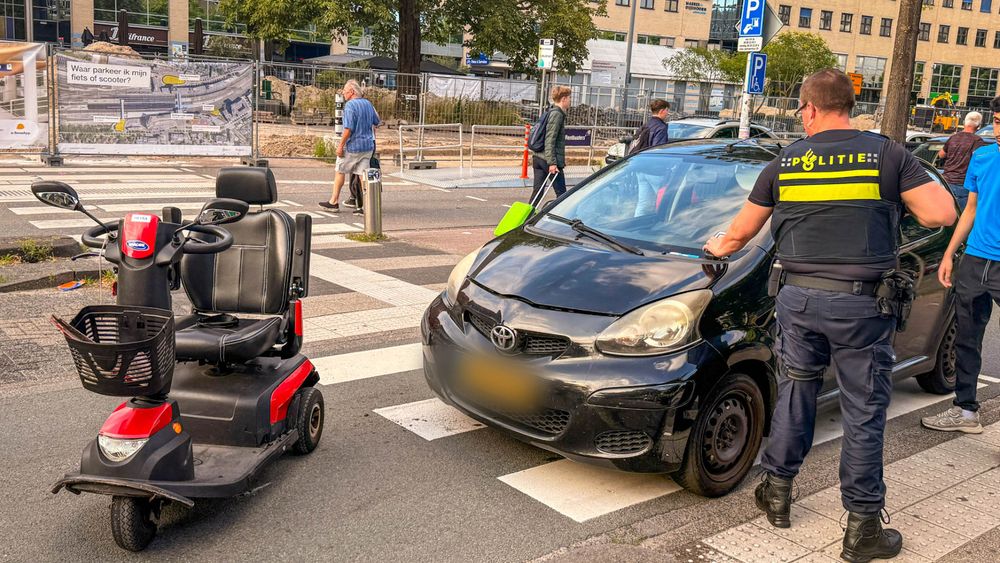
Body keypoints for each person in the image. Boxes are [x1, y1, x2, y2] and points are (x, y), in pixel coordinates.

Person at [703, 69, 956, 562]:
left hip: (798, 300)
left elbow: (737, 235)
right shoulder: (886, 155)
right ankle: (862, 528)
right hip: (862, 304)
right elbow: (940, 215)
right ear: (849, 105)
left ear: (811, 109)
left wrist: (712, 246)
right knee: (863, 410)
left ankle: (776, 491)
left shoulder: (785, 162)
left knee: (797, 389)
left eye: (801, 110)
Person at [922, 97, 1000, 435]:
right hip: (975, 260)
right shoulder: (982, 156)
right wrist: (950, 253)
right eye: (998, 120)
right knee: (967, 338)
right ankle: (966, 411)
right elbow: (970, 209)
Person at [321, 80, 380, 212]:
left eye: (345, 91)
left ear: (352, 92)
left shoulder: (350, 106)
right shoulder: (368, 104)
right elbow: (376, 121)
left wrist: (340, 145)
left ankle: (334, 201)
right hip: (368, 147)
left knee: (340, 170)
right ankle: (365, 206)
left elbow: (348, 128)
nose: (343, 93)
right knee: (362, 176)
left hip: (353, 146)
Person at [937, 111, 987, 209]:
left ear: (964, 122)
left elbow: (941, 154)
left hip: (946, 182)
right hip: (963, 184)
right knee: (963, 218)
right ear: (978, 126)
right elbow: (980, 161)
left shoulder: (953, 138)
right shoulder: (977, 141)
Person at [531, 86, 571, 202]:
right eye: (569, 98)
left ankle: (527, 218)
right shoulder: (557, 114)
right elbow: (550, 139)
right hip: (549, 161)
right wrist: (552, 163)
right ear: (563, 99)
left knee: (537, 192)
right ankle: (565, 219)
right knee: (562, 194)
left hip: (538, 157)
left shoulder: (550, 111)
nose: (570, 101)